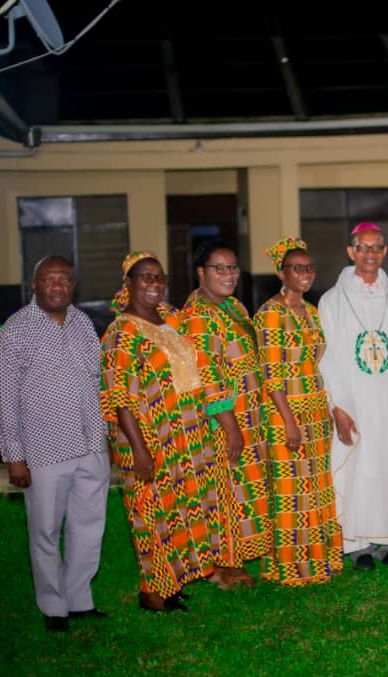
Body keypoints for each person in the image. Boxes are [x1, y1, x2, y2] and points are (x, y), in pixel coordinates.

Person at [101, 252, 233, 611]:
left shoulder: (173, 319)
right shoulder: (121, 332)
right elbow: (119, 399)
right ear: (128, 284)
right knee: (152, 512)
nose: (154, 284)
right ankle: (153, 591)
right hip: (151, 438)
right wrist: (140, 451)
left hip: (189, 434)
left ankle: (173, 580)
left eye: (159, 278)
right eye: (145, 277)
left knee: (183, 508)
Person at [0, 256, 111, 632]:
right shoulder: (15, 331)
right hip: (43, 450)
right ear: (34, 284)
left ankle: (79, 599)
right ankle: (53, 607)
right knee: (45, 530)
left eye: (64, 279)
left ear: (74, 285)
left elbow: (98, 381)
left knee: (89, 526)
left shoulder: (83, 324)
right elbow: (3, 397)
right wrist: (14, 456)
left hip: (92, 444)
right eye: (49, 279)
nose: (57, 286)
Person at [318, 222, 388, 570]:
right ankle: (358, 543)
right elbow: (326, 356)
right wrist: (339, 406)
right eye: (362, 248)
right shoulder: (332, 301)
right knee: (359, 468)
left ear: (384, 253)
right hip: (355, 401)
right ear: (351, 253)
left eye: (376, 247)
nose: (369, 254)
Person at [253, 237, 344, 585]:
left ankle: (319, 561)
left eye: (309, 268)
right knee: (291, 491)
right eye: (296, 268)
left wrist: (326, 409)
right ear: (281, 272)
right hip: (285, 414)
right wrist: (289, 422)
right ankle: (290, 567)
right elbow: (271, 375)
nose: (304, 274)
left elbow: (318, 362)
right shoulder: (269, 314)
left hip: (315, 410)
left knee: (317, 487)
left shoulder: (312, 311)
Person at [182, 241, 272, 587]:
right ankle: (224, 566)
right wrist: (231, 427)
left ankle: (242, 556)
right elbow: (208, 376)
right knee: (225, 491)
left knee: (245, 490)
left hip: (249, 413)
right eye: (218, 268)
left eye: (232, 268)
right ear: (201, 273)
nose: (228, 274)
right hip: (224, 420)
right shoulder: (198, 316)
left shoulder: (233, 306)